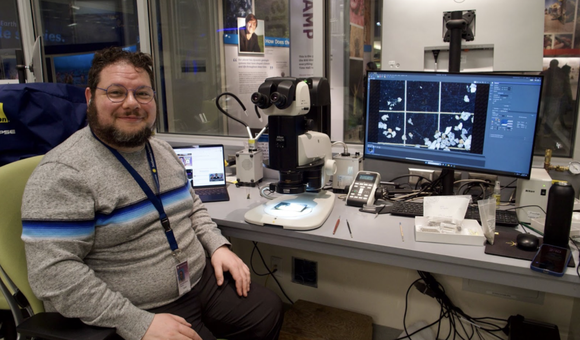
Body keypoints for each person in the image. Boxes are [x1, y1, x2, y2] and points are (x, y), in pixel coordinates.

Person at [20, 47, 284, 340]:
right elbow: (54, 276)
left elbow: (192, 205)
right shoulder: (63, 172)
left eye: (142, 93)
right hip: (137, 307)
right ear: (90, 98)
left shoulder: (161, 150)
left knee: (267, 310)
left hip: (199, 280)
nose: (131, 103)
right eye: (116, 92)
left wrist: (218, 245)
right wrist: (137, 323)